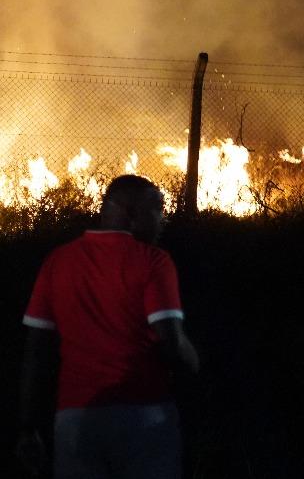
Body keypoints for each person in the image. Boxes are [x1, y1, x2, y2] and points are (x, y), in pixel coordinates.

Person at [16, 174, 200, 479]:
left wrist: (27, 426)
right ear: (131, 214)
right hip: (144, 415)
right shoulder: (153, 261)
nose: (163, 219)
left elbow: (35, 351)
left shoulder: (58, 261)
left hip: (75, 421)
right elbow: (173, 343)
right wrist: (200, 369)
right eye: (157, 209)